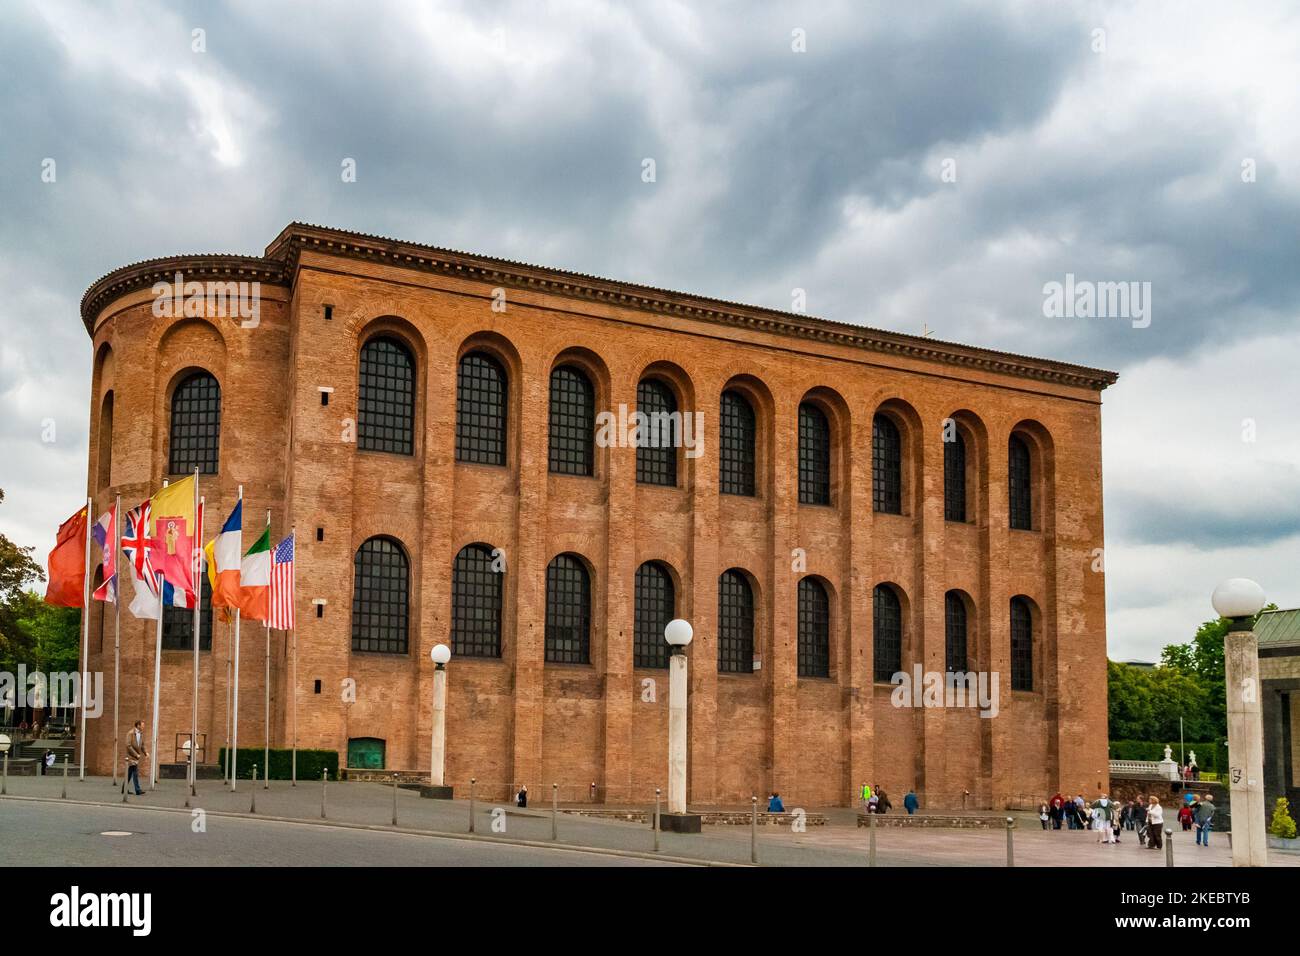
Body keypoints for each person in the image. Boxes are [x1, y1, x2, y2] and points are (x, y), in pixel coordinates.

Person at [125, 720, 146, 795]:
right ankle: (138, 790)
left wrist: (145, 753)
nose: (144, 726)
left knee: (130, 773)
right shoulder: (130, 733)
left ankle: (124, 789)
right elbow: (128, 745)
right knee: (135, 772)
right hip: (130, 756)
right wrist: (135, 754)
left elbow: (142, 745)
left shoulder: (141, 734)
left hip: (137, 757)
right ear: (138, 725)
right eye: (142, 725)